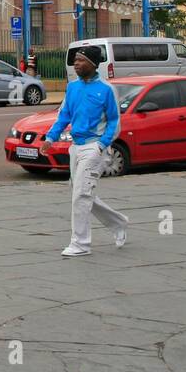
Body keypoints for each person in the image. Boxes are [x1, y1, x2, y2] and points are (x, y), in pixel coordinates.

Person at [41, 47, 128, 257]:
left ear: (92, 64)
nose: (76, 64)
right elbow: (64, 115)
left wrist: (101, 145)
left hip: (94, 148)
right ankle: (118, 223)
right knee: (81, 192)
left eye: (80, 60)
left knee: (81, 195)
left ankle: (81, 244)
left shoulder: (106, 89)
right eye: (75, 60)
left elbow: (115, 122)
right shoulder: (72, 88)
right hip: (76, 147)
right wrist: (50, 138)